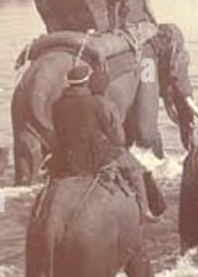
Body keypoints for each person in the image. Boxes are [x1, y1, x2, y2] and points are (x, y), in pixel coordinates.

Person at [51, 63, 160, 219]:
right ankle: (144, 211)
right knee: (135, 171)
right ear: (87, 82)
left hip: (66, 158)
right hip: (96, 158)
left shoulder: (57, 105)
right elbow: (119, 139)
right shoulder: (97, 103)